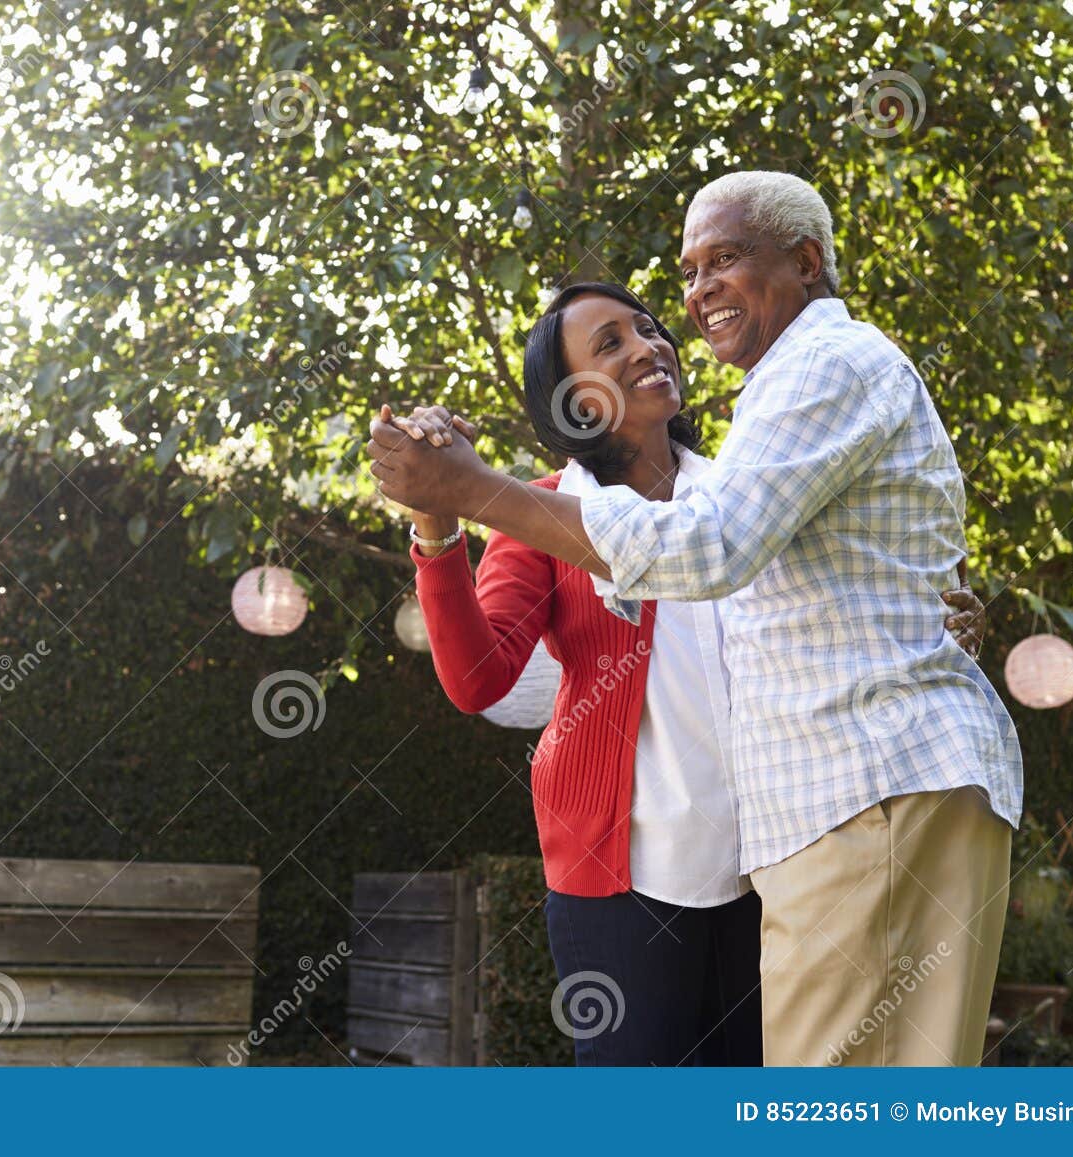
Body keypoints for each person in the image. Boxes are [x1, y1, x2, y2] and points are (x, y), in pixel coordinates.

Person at [367, 171, 1023, 1067]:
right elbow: (479, 678)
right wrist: (444, 525)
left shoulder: (741, 487)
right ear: (570, 397)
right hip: (631, 882)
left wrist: (928, 617)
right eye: (611, 340)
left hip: (766, 855)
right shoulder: (548, 511)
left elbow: (801, 574)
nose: (649, 338)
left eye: (646, 323)